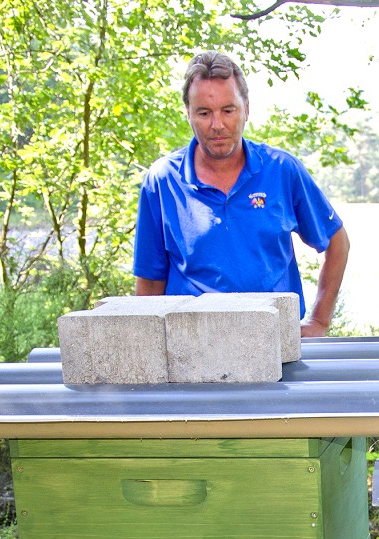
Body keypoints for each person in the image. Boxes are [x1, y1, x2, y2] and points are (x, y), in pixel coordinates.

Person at [133, 50, 349, 337]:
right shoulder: (162, 181)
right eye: (204, 112)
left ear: (246, 108)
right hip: (190, 348)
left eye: (228, 110)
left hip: (275, 347)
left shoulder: (282, 170)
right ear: (188, 113)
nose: (217, 125)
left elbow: (337, 242)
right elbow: (149, 282)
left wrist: (319, 321)